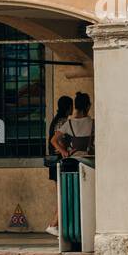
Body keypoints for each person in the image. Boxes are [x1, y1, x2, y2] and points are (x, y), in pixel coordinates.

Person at [47, 93, 95, 237]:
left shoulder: (69, 123)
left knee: (68, 194)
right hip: (89, 163)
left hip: (71, 162)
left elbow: (53, 140)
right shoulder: (93, 123)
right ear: (88, 106)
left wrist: (64, 152)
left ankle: (60, 226)